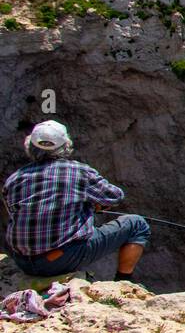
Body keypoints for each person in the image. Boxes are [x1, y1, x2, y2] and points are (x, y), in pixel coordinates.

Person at [2, 120, 150, 282]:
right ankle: (124, 282)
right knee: (137, 224)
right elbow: (115, 196)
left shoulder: (14, 179)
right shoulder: (78, 171)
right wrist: (93, 205)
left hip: (24, 262)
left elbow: (16, 213)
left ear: (30, 146)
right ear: (66, 146)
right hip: (60, 260)